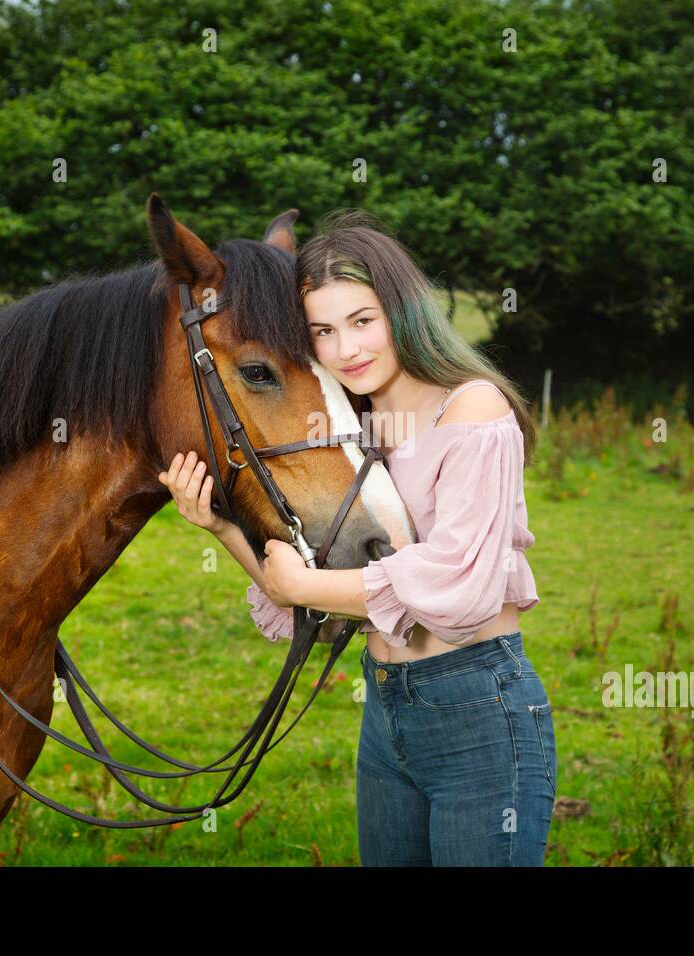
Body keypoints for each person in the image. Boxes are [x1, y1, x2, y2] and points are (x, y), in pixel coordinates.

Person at [158, 209, 555, 866]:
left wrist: (306, 583)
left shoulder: (472, 407)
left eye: (362, 321)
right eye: (322, 331)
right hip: (388, 716)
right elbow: (312, 596)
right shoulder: (353, 429)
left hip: (479, 712)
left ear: (402, 310)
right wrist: (222, 526)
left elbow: (462, 585)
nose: (347, 349)